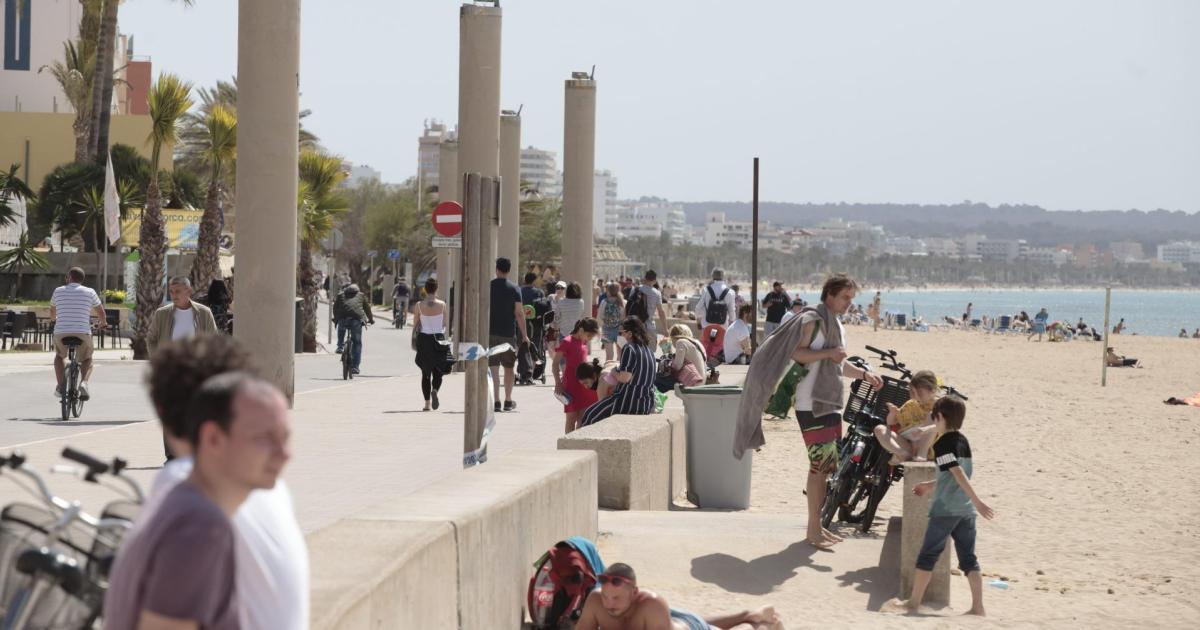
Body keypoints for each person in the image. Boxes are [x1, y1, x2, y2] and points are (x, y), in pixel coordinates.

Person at [136, 336, 308, 630]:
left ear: (162, 413)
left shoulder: (187, 502)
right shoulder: (213, 510)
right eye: (263, 439)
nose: (285, 455)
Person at [790, 274, 882, 549]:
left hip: (830, 401)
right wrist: (828, 353)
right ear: (829, 293)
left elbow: (839, 365)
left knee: (827, 468)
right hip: (810, 402)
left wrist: (864, 375)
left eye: (851, 299)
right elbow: (798, 354)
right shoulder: (812, 320)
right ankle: (812, 530)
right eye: (845, 297)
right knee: (818, 468)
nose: (849, 304)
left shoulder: (838, 326)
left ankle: (817, 526)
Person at [888, 396, 995, 617]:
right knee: (968, 559)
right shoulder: (962, 440)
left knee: (927, 556)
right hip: (965, 511)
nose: (932, 421)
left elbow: (957, 472)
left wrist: (978, 500)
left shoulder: (942, 443)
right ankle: (978, 607)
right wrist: (930, 485)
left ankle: (914, 602)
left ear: (940, 417)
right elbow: (952, 475)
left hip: (946, 510)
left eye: (933, 418)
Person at [574, 563, 782, 630]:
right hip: (668, 619)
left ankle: (756, 618)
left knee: (700, 623)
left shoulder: (651, 604)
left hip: (689, 627)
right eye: (606, 597)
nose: (609, 604)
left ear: (634, 593)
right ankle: (747, 614)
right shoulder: (595, 601)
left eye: (616, 598)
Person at [580, 318, 658, 427]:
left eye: (621, 333)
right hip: (645, 403)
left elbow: (624, 378)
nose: (619, 336)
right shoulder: (648, 350)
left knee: (589, 416)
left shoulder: (629, 348)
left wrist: (614, 372)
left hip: (627, 401)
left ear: (629, 334)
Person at [49, 267, 106, 400]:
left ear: (69, 277)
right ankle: (84, 383)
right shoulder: (90, 291)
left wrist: (54, 320)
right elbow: (101, 312)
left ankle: (61, 386)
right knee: (87, 358)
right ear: (82, 279)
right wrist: (103, 323)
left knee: (59, 356)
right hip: (82, 332)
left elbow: (52, 310)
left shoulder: (58, 291)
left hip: (61, 332)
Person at [874, 370, 940, 465]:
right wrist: (892, 414)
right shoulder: (911, 404)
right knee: (879, 429)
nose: (916, 397)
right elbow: (891, 424)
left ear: (932, 390)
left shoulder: (940, 406)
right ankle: (904, 454)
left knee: (932, 416)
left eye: (920, 393)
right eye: (913, 392)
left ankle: (916, 454)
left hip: (929, 449)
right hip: (907, 446)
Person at [490, 257, 530, 412]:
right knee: (508, 367)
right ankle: (508, 399)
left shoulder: (489, 286)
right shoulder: (515, 289)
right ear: (509, 270)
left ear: (496, 269)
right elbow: (519, 314)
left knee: (493, 368)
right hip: (508, 333)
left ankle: (496, 401)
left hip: (490, 332)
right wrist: (524, 334)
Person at [148, 277, 219, 356]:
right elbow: (151, 339)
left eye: (177, 291)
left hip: (196, 365)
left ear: (189, 291)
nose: (174, 295)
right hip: (169, 365)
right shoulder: (161, 314)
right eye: (171, 292)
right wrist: (157, 358)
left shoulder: (204, 313)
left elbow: (214, 340)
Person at [553, 318, 601, 433]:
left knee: (583, 418)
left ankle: (578, 445)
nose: (589, 339)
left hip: (584, 386)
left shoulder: (583, 343)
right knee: (571, 419)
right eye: (588, 336)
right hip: (570, 386)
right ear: (581, 330)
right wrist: (558, 383)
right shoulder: (567, 341)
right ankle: (567, 447)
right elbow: (555, 364)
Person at [413, 278, 450, 411]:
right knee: (438, 371)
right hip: (439, 338)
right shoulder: (442, 305)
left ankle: (427, 404)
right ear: (436, 288)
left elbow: (415, 323)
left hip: (424, 339)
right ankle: (435, 389)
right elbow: (445, 323)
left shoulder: (418, 305)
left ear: (425, 289)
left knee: (425, 372)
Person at [339, 284, 374, 374]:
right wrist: (371, 320)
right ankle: (355, 367)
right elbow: (367, 309)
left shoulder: (341, 295)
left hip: (343, 319)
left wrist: (336, 319)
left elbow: (335, 309)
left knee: (341, 326)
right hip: (356, 320)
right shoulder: (361, 296)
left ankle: (340, 346)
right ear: (357, 291)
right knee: (357, 343)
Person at [600, 282, 625, 361]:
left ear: (608, 291)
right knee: (621, 355)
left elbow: (600, 316)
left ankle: (607, 372)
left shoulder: (604, 302)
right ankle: (619, 371)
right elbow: (624, 317)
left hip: (606, 330)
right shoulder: (623, 302)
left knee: (609, 356)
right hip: (620, 330)